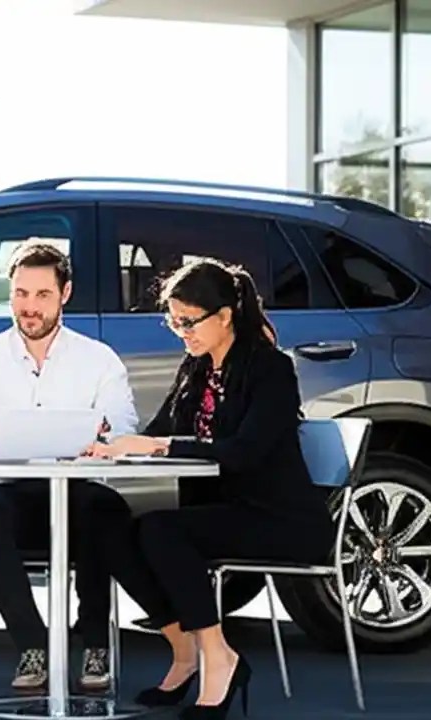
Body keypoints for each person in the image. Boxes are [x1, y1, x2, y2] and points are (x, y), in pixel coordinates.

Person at [86, 257, 334, 720]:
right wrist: (107, 444)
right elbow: (160, 430)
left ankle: (218, 658)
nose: (183, 332)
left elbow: (244, 451)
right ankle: (185, 651)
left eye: (189, 322)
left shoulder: (270, 369)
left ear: (224, 316)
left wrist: (159, 445)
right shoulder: (196, 369)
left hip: (282, 519)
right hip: (225, 512)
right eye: (174, 322)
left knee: (161, 532)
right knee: (111, 528)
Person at [0, 239, 176, 694]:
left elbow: (121, 431)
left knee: (102, 508)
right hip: (4, 492)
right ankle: (33, 645)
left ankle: (95, 644)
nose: (29, 307)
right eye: (20, 294)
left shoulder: (99, 360)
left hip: (77, 489)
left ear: (65, 294)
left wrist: (100, 436)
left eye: (42, 295)